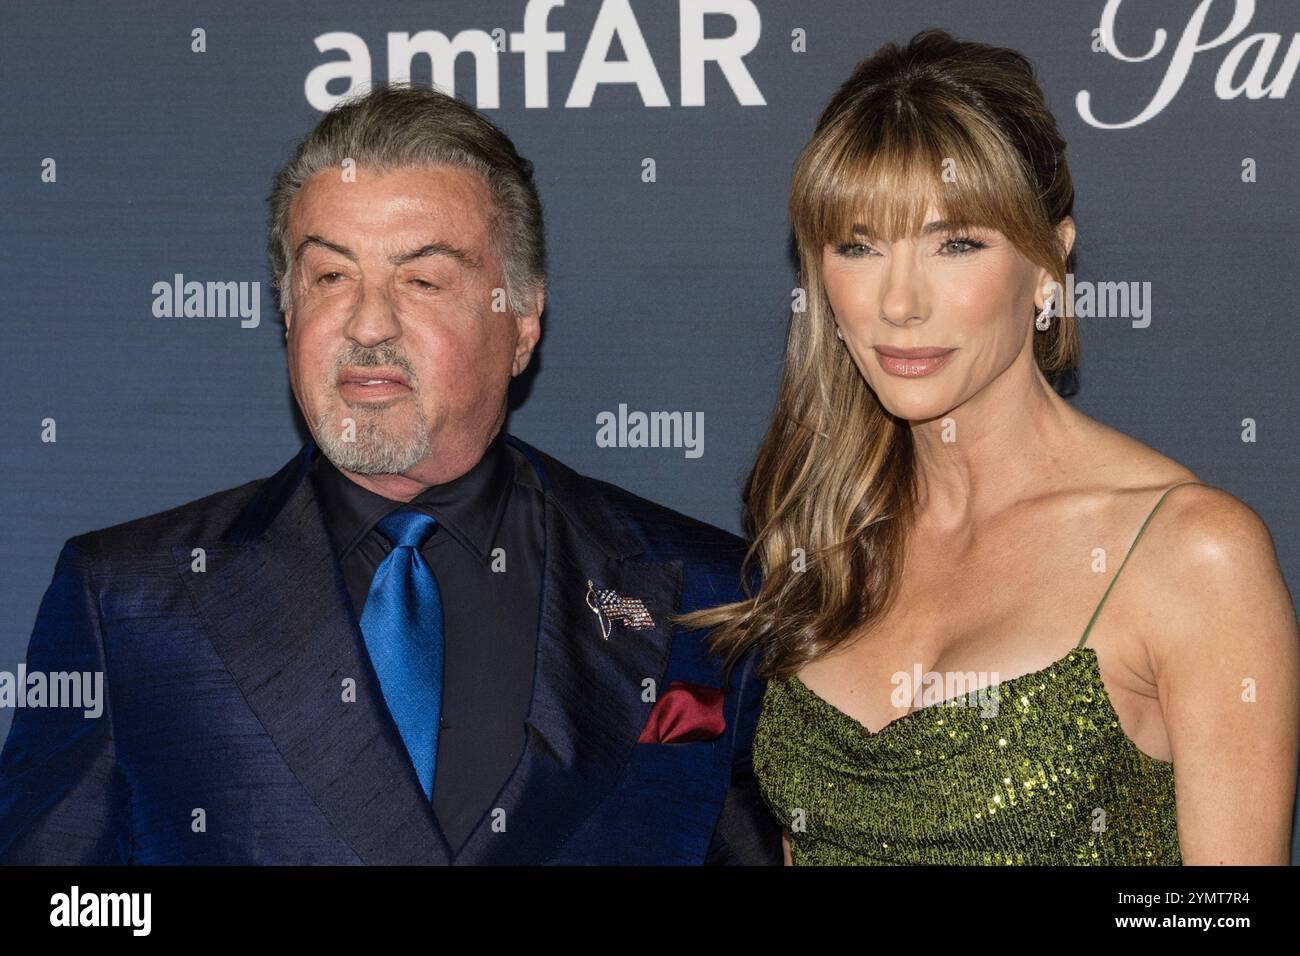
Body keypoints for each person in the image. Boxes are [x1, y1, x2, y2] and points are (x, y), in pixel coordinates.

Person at [0, 83, 782, 865]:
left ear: (523, 320)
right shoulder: (130, 601)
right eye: (331, 278)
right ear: (287, 307)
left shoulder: (710, 599)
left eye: (423, 279)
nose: (368, 324)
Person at [680, 29, 1299, 865]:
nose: (899, 302)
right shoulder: (829, 534)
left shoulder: (1192, 555)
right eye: (859, 246)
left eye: (956, 243)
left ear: (1050, 262)